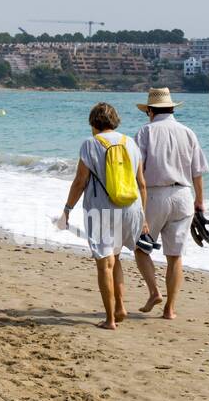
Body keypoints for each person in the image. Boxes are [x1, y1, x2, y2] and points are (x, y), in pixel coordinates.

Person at [60, 102, 149, 329]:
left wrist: (67, 210)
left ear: (93, 123)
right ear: (115, 121)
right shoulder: (131, 143)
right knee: (116, 257)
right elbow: (142, 183)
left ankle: (110, 320)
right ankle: (119, 307)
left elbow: (80, 182)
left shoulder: (90, 144)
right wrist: (144, 217)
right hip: (131, 208)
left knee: (104, 264)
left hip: (100, 210)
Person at [133, 88, 209, 319]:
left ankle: (154, 292)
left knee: (140, 248)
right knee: (175, 256)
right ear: (173, 108)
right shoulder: (188, 133)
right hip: (183, 196)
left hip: (155, 195)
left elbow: (137, 171)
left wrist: (134, 200)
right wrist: (200, 203)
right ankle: (170, 309)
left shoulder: (145, 132)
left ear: (150, 111)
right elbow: (198, 173)